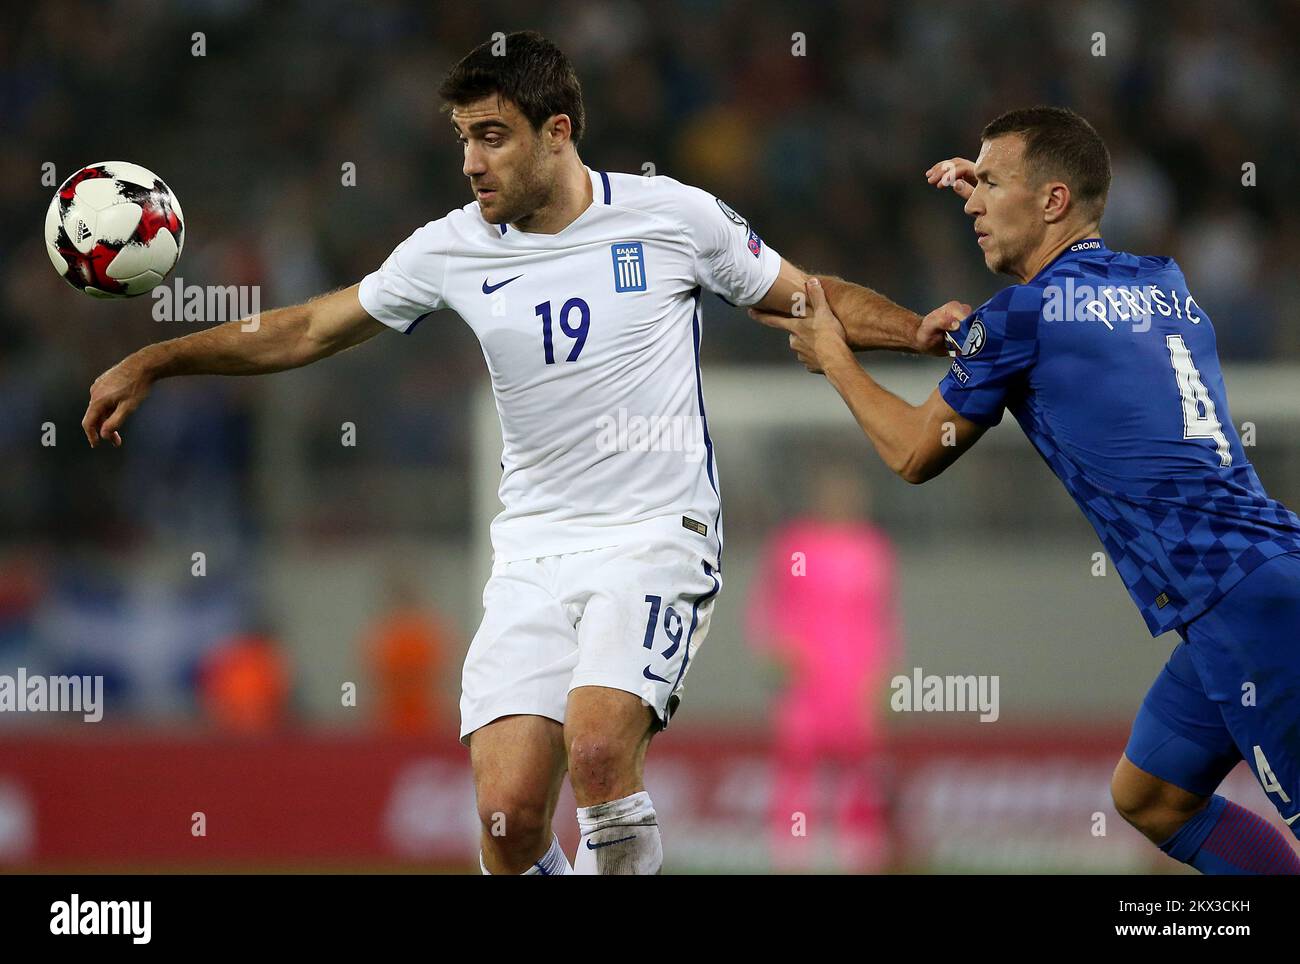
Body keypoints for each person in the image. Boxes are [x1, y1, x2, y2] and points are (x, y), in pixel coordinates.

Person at [82, 31, 951, 875]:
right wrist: (160, 358)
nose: (471, 162)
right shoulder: (448, 247)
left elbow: (806, 298)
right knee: (506, 824)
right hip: (533, 549)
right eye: (464, 139)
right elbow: (307, 327)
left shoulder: (673, 216)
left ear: (558, 132)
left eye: (492, 136)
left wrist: (914, 332)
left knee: (602, 749)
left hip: (656, 532)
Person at [752, 106, 1300, 874]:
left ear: (1052, 202)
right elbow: (1062, 329)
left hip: (1245, 606)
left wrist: (836, 359)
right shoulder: (1165, 283)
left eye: (991, 184)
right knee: (1151, 795)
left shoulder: (1023, 317)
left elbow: (915, 452)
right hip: (1257, 580)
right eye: (972, 184)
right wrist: (991, 188)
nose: (973, 200)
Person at [747, 465, 898, 871]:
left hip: (855, 675)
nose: (842, 500)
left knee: (861, 770)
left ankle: (860, 855)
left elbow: (881, 617)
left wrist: (880, 677)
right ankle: (794, 855)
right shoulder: (796, 544)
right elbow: (769, 605)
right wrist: (779, 650)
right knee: (797, 766)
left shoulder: (871, 547)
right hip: (806, 677)